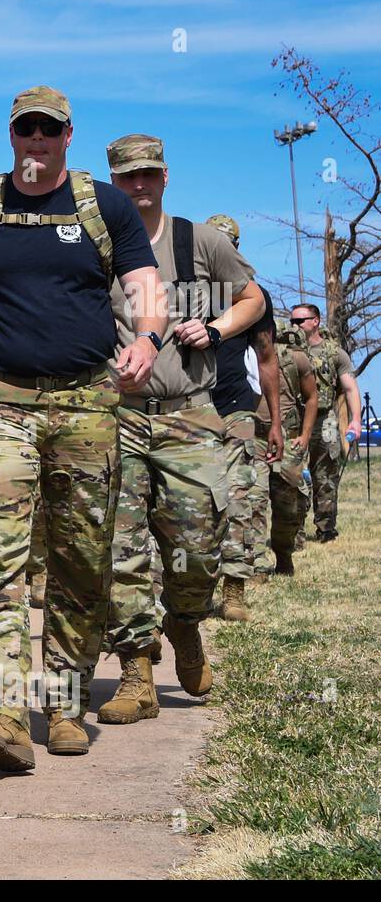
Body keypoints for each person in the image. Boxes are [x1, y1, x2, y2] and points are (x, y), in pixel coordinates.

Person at [0, 87, 163, 770]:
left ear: (69, 136)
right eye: (26, 129)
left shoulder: (107, 206)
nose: (37, 140)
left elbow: (145, 287)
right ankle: (4, 709)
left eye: (50, 130)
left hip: (87, 402)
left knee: (81, 557)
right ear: (12, 136)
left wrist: (148, 340)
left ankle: (64, 704)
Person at [96, 135, 265, 727]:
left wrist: (216, 329)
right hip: (116, 417)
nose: (138, 186)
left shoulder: (201, 241)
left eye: (147, 175)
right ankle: (136, 671)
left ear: (165, 176)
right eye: (126, 177)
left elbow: (254, 299)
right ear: (112, 181)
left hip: (189, 414)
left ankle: (184, 623)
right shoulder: (97, 243)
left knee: (197, 549)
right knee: (119, 550)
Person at [204, 214, 280, 617]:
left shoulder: (254, 298)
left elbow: (268, 359)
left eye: (226, 244)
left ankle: (234, 591)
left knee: (239, 497)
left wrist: (275, 424)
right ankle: (190, 589)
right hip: (192, 408)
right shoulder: (186, 290)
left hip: (237, 407)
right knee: (193, 504)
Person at [292, 303, 362, 543]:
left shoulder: (334, 353)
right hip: (295, 420)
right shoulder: (288, 352)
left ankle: (326, 529)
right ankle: (294, 531)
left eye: (300, 320)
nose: (296, 326)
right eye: (292, 321)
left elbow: (351, 388)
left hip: (325, 420)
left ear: (315, 321)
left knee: (325, 476)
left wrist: (355, 420)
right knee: (294, 476)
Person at [262, 325, 318, 575]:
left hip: (288, 439)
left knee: (288, 507)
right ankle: (254, 565)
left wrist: (305, 436)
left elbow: (312, 396)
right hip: (250, 436)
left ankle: (283, 553)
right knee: (249, 503)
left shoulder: (295, 358)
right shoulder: (240, 353)